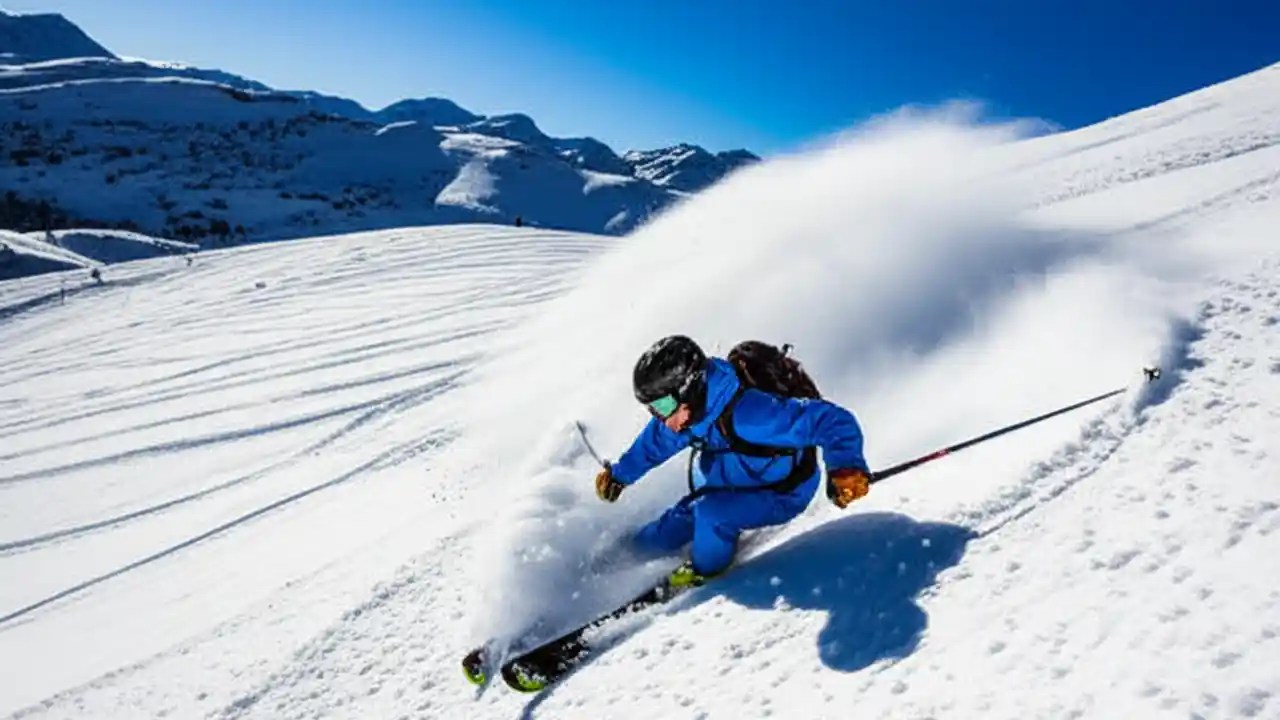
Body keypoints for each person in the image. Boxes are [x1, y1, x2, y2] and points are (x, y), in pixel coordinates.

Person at [594, 335, 873, 588]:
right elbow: (653, 444)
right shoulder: (687, 416)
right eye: (652, 409)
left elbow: (831, 420)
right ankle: (629, 554)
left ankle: (705, 571)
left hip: (781, 493)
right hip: (735, 482)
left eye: (663, 406)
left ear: (689, 389)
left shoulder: (752, 415)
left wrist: (845, 468)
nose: (660, 418)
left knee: (713, 514)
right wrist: (619, 475)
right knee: (677, 521)